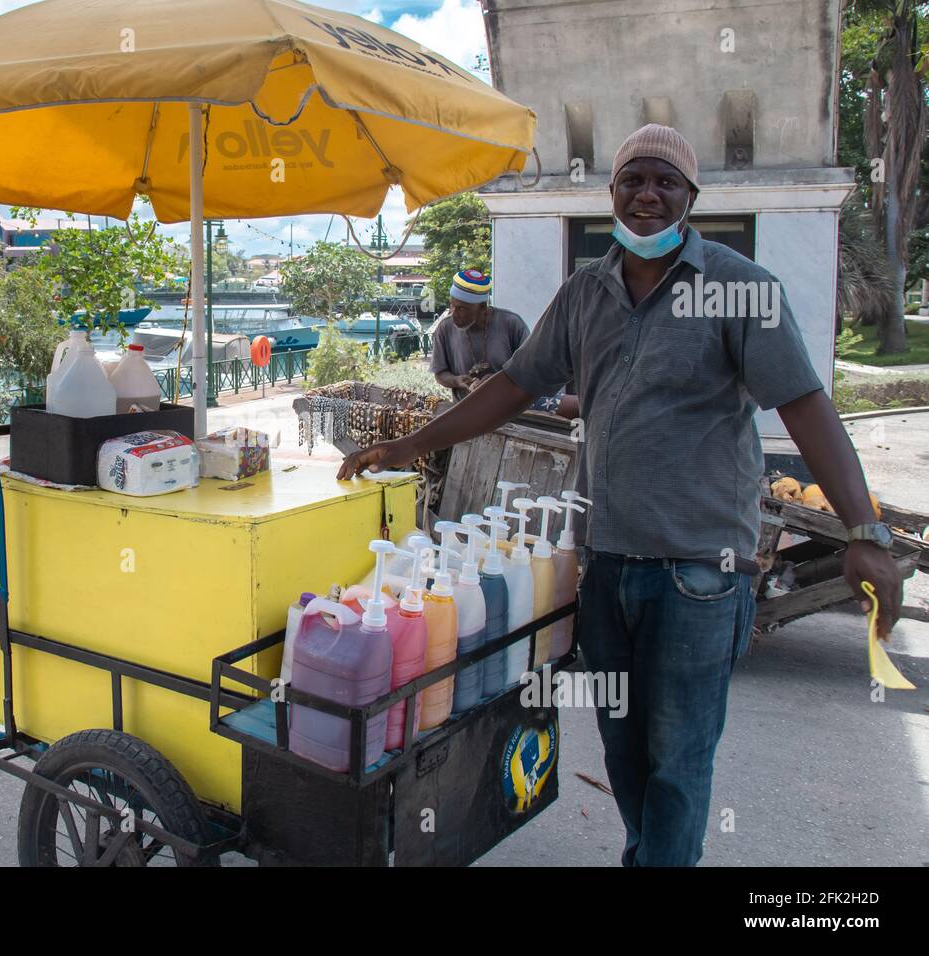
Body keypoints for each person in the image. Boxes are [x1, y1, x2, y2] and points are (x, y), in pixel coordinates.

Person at [339, 124, 904, 867]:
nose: (646, 193)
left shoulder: (740, 288)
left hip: (701, 573)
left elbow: (803, 404)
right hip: (607, 565)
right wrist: (411, 445)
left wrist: (864, 530)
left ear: (690, 199)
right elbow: (513, 386)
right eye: (632, 179)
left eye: (664, 182)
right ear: (611, 194)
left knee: (679, 759)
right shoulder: (585, 292)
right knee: (623, 748)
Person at [429, 270, 530, 403]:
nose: (454, 314)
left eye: (461, 309)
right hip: (465, 413)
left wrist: (498, 381)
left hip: (508, 412)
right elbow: (440, 374)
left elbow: (530, 371)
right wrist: (456, 381)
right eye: (452, 306)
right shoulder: (445, 328)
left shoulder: (512, 324)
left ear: (482, 307)